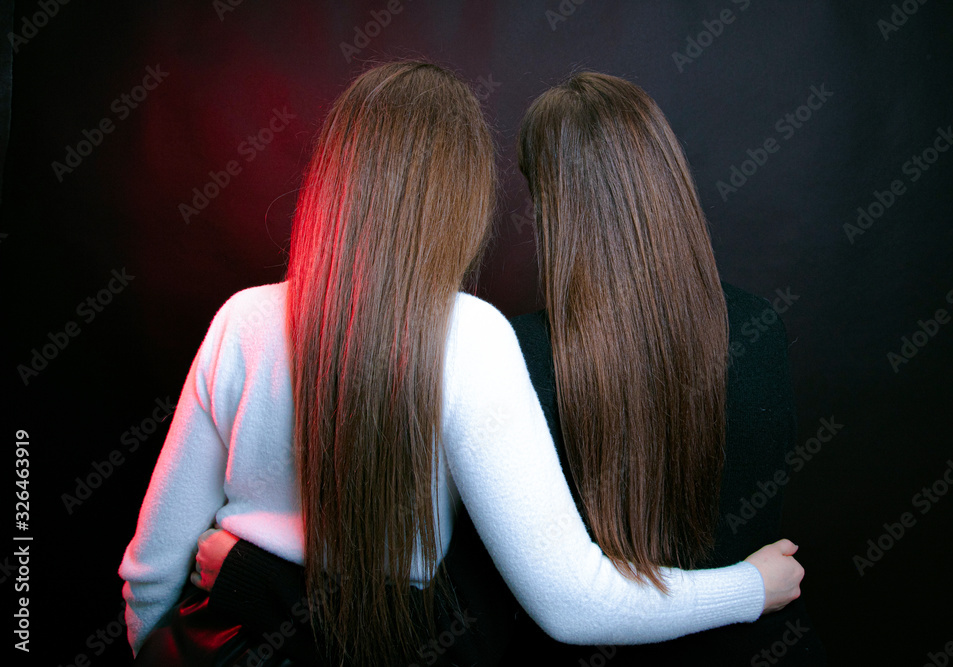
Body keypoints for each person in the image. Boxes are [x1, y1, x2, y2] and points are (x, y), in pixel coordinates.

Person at [120, 62, 803, 666]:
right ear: (462, 198)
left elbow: (150, 572)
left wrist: (191, 620)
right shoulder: (472, 337)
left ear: (332, 173)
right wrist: (749, 586)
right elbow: (569, 599)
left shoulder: (241, 318)